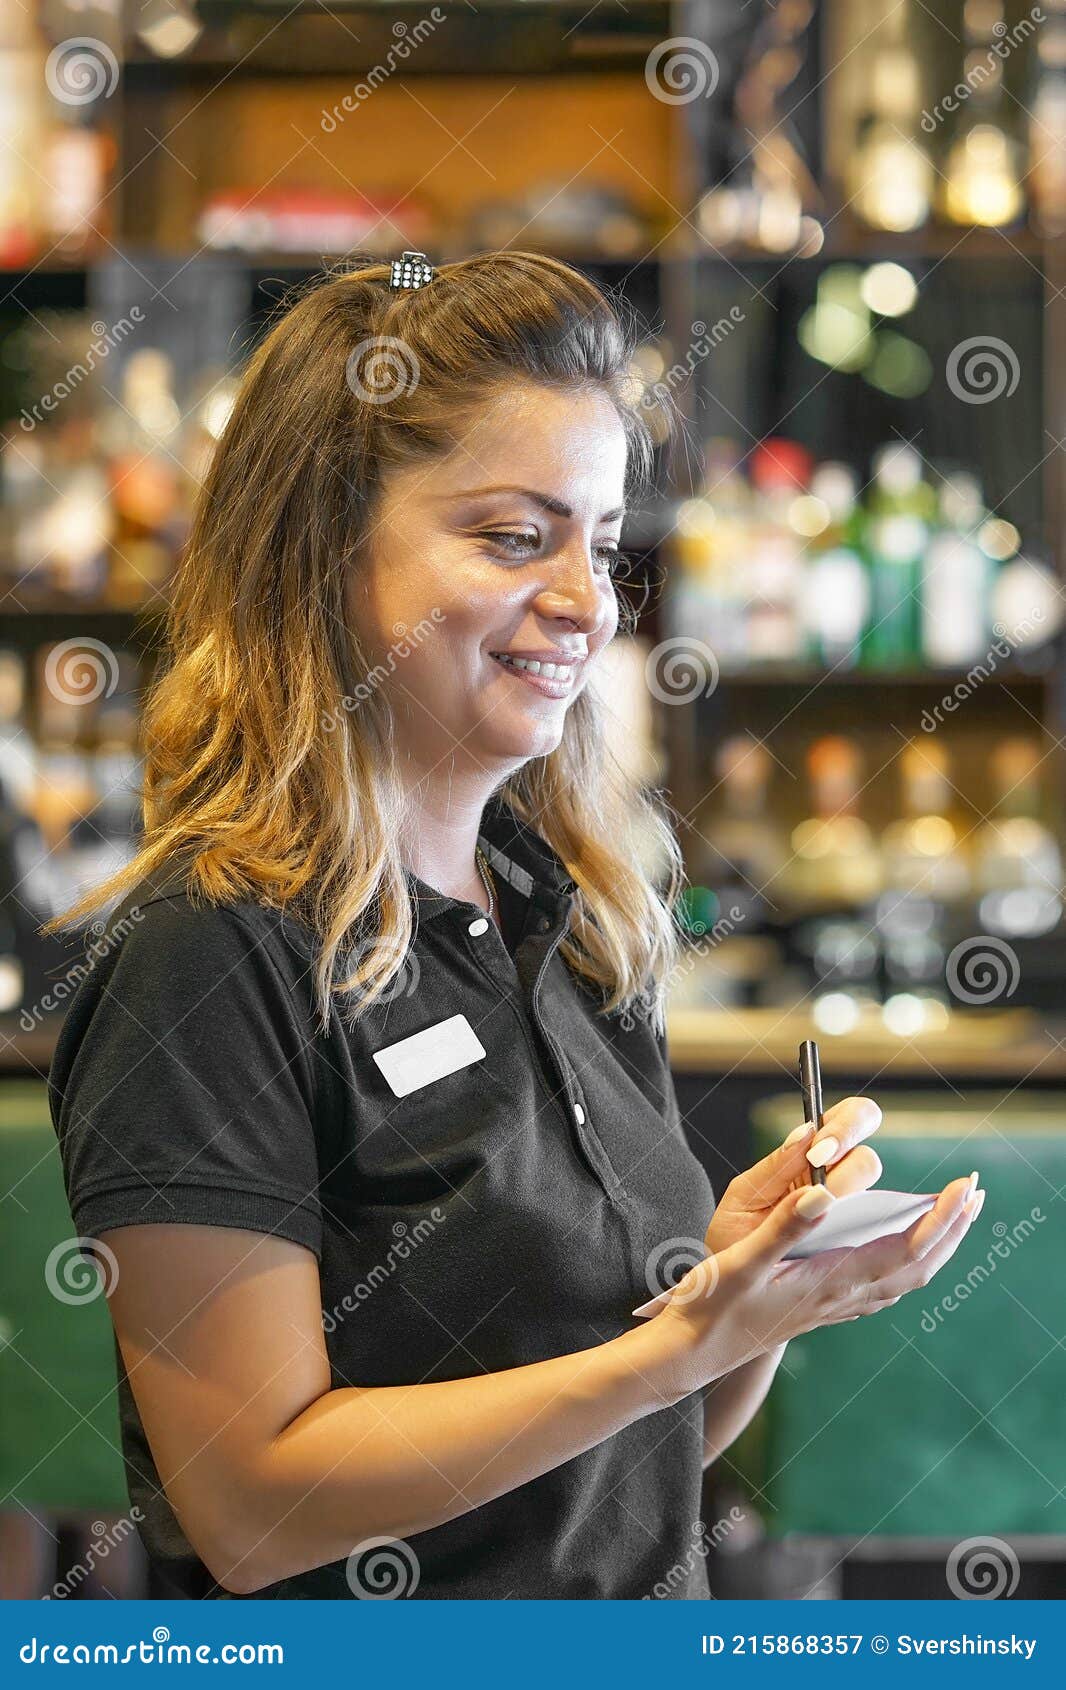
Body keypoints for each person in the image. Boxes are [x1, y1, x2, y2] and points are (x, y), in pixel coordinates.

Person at [46, 252, 983, 1600]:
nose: (585, 599)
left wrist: (740, 1298)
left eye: (598, 543)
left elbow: (635, 1456)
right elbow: (251, 1502)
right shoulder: (209, 952)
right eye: (510, 535)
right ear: (323, 548)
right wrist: (672, 1345)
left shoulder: (573, 916)